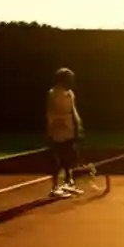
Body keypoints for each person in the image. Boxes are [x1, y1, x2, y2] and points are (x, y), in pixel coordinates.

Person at [46, 67, 84, 198]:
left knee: (70, 158)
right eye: (69, 79)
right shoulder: (53, 94)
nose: (72, 82)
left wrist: (77, 125)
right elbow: (50, 113)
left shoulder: (70, 93)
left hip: (69, 129)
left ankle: (69, 183)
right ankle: (55, 187)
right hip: (58, 131)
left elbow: (73, 111)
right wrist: (51, 129)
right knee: (59, 159)